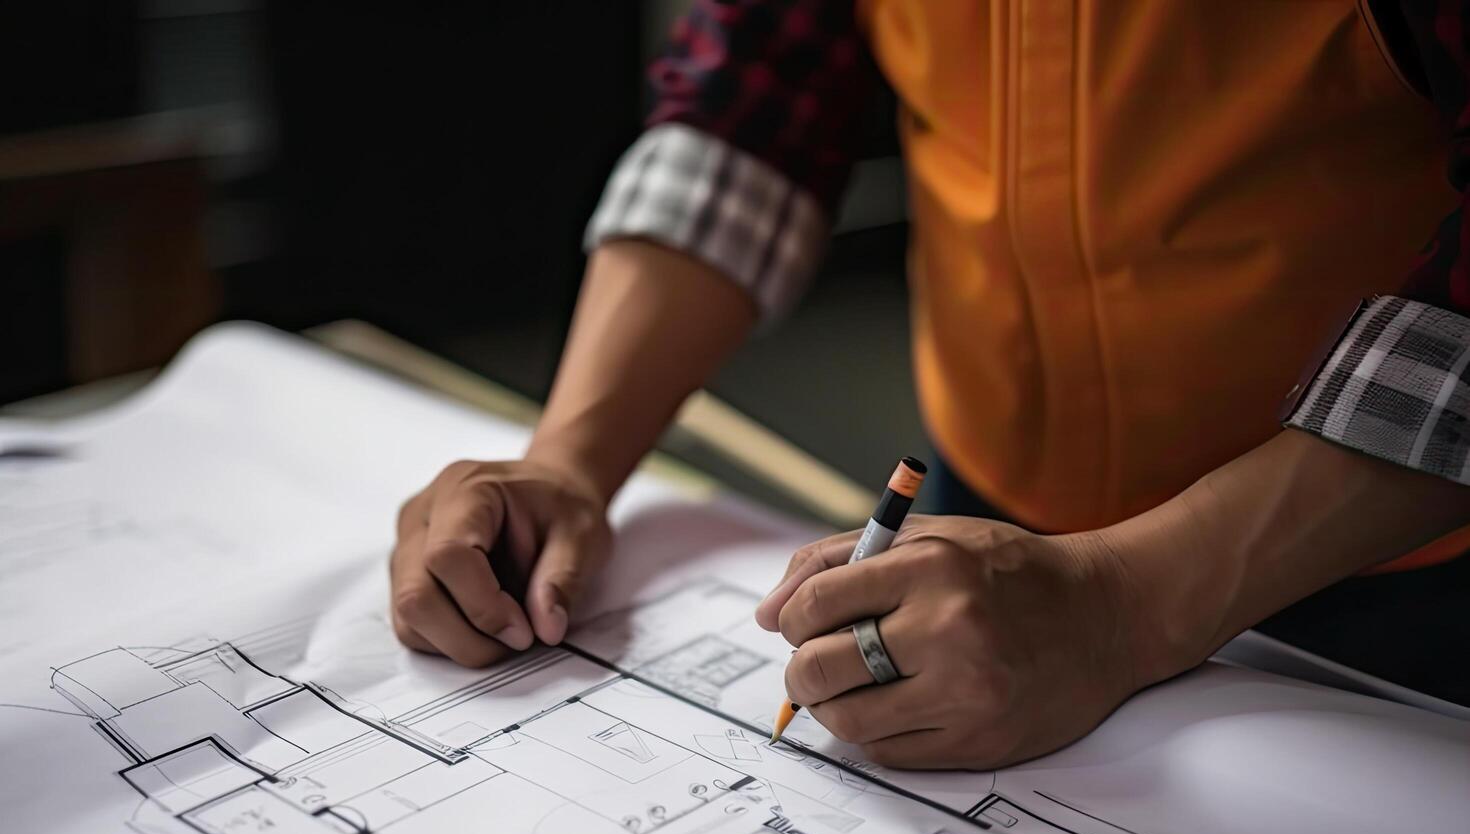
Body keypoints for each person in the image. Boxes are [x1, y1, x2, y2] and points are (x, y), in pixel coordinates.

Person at [390, 1, 1470, 769]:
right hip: (979, 504)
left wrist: (1125, 605)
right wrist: (570, 459)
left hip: (1382, 550)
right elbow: (754, 97)